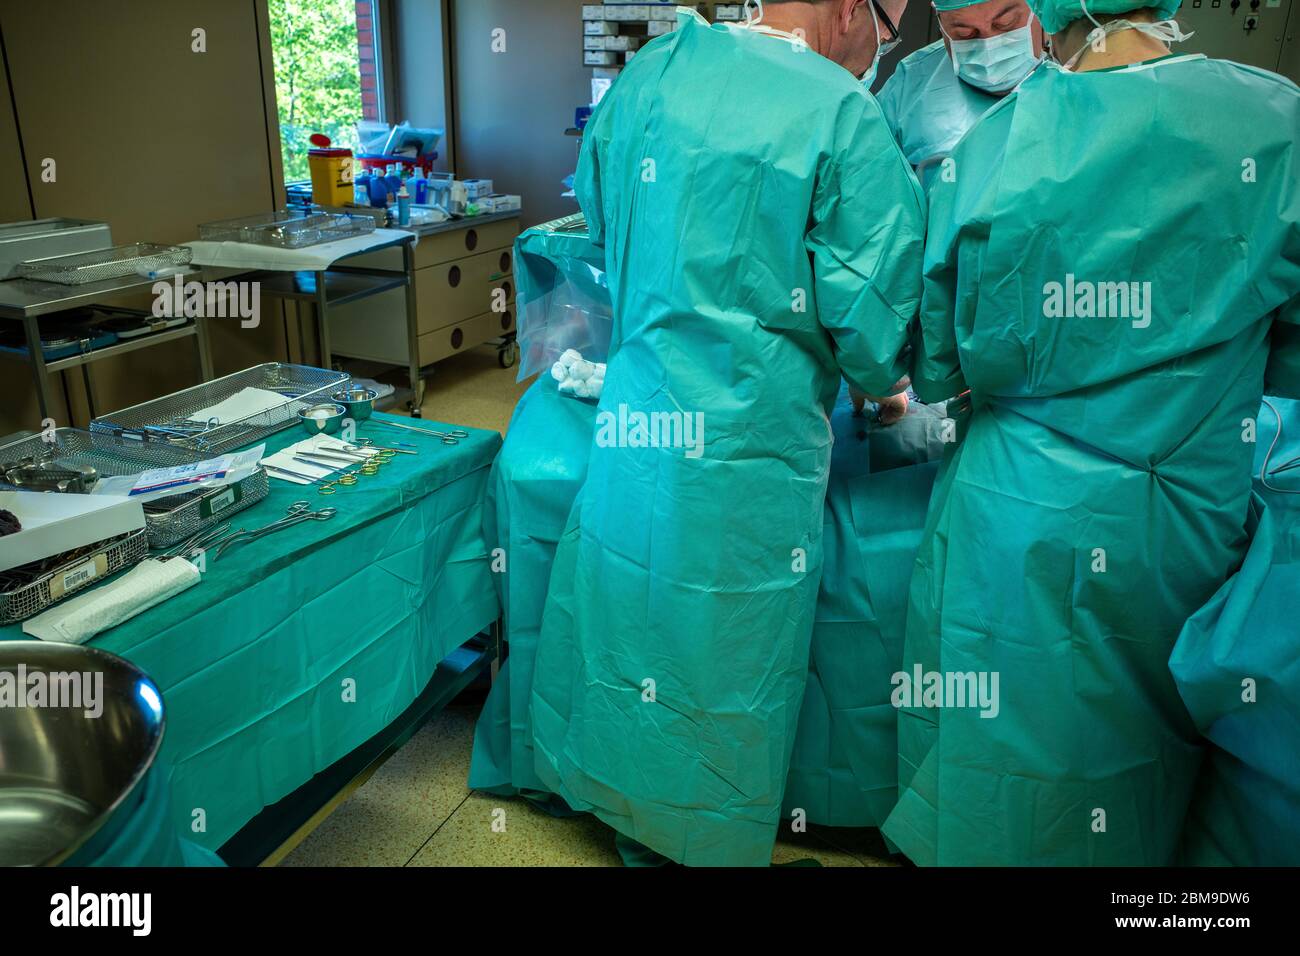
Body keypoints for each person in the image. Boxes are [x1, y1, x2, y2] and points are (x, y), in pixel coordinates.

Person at [884, 0, 1300, 865]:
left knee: (1004, 747)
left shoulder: (1001, 143)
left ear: (1052, 14)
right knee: (1140, 745)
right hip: (1183, 511)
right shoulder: (1275, 121)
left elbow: (936, 364)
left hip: (1017, 503)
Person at [528, 0, 924, 866]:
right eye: (884, 35)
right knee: (720, 650)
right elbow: (867, 318)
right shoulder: (839, 112)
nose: (875, 54)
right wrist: (883, 386)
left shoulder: (650, 76)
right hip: (747, 452)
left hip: (638, 425)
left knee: (631, 611)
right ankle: (695, 839)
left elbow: (598, 224)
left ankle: (619, 802)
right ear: (853, 9)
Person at [878, 0, 1045, 189]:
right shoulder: (908, 88)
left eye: (1006, 23)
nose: (988, 45)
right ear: (941, 24)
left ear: (1040, 8)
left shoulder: (1077, 77)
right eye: (965, 33)